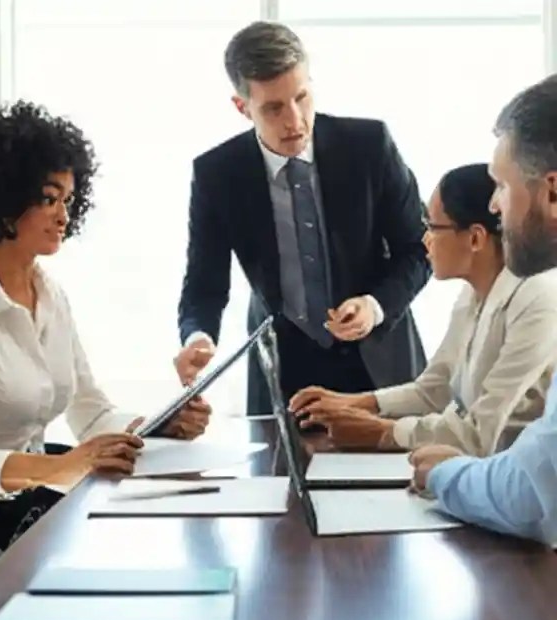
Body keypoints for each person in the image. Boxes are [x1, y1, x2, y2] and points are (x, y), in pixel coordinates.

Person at [0, 100, 212, 550]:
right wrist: (54, 469)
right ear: (2, 202)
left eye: (68, 201)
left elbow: (90, 412)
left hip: (30, 499)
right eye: (49, 199)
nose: (64, 216)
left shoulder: (52, 297)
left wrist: (157, 425)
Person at [175, 21, 431, 416]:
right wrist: (198, 336)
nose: (294, 120)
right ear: (242, 107)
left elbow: (419, 249)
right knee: (282, 478)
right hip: (283, 373)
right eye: (273, 108)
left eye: (301, 97)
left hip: (381, 365)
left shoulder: (369, 147)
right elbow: (204, 284)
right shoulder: (217, 174)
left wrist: (375, 305)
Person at [288, 163, 557, 456]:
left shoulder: (538, 297)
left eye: (432, 227)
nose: (424, 240)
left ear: (475, 238)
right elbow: (434, 390)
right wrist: (353, 403)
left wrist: (382, 432)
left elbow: (482, 434)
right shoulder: (473, 292)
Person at [409, 75, 557, 547]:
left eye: (501, 186)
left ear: (552, 193)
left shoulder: (536, 297)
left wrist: (447, 477)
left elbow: (535, 493)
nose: (495, 206)